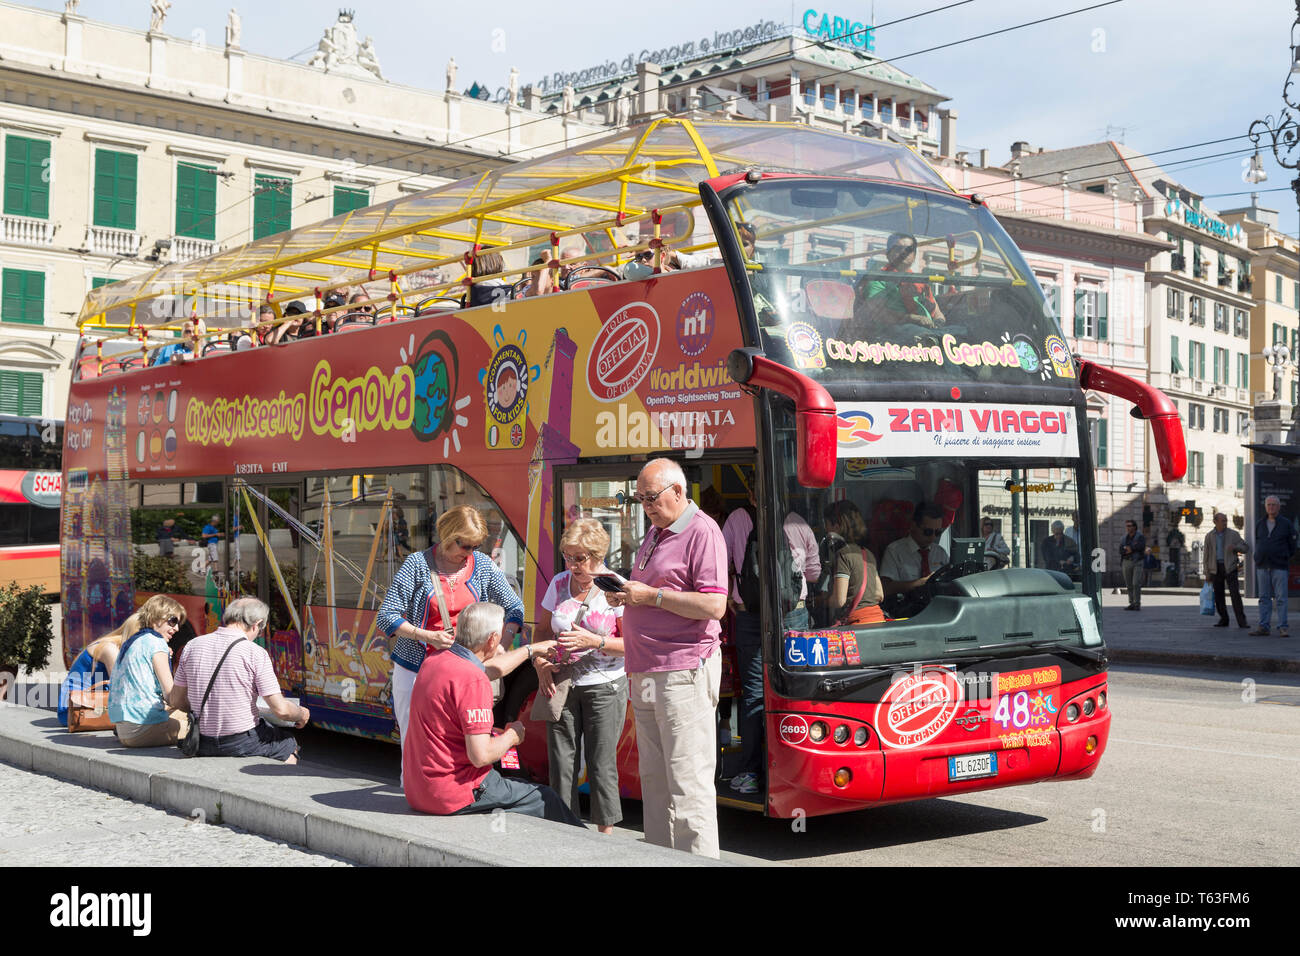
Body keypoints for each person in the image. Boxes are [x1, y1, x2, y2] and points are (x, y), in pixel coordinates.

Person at [604, 458, 728, 857]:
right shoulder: (657, 531)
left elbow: (715, 605)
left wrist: (650, 596)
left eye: (651, 497)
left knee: (687, 785)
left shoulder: (702, 531)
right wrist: (626, 594)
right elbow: (653, 589)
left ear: (678, 491)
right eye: (640, 499)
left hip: (683, 672)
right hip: (648, 671)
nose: (646, 506)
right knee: (655, 782)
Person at [377, 504, 525, 768]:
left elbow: (515, 607)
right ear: (447, 535)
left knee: (463, 740)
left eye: (475, 546)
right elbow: (387, 615)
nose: (469, 553)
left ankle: (453, 793)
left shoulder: (482, 565)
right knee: (414, 741)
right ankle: (411, 789)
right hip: (417, 670)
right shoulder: (417, 565)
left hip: (465, 672)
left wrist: (502, 643)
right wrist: (426, 636)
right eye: (464, 545)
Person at [403, 602, 579, 824]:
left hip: (419, 792)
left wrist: (531, 650)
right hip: (454, 794)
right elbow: (481, 756)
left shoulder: (436, 661)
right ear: (493, 640)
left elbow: (491, 668)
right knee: (546, 798)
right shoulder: (473, 680)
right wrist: (512, 736)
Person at [721, 483, 821, 796]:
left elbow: (718, 563)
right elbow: (814, 572)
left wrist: (730, 598)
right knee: (794, 687)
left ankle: (752, 772)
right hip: (794, 615)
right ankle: (795, 766)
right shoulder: (796, 522)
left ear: (750, 493)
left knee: (753, 692)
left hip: (751, 616)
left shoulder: (737, 519)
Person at [530, 518, 626, 832]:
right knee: (561, 763)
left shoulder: (615, 586)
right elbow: (542, 631)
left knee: (601, 763)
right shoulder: (558, 583)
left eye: (579, 558)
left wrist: (594, 641)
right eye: (568, 557)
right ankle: (564, 831)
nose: (572, 565)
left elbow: (632, 644)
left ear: (597, 555)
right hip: (562, 684)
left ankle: (604, 836)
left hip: (605, 685)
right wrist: (541, 665)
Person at [168, 597, 308, 762]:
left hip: (201, 740)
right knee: (288, 744)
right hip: (241, 742)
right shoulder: (255, 653)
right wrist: (301, 714)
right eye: (260, 630)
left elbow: (176, 700)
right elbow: (281, 710)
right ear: (257, 624)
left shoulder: (192, 646)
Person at [109, 596, 191, 747]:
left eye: (178, 623)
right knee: (202, 724)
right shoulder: (156, 643)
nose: (177, 628)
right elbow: (170, 695)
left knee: (182, 715)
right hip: (144, 730)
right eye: (172, 621)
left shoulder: (132, 642)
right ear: (155, 618)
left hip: (125, 730)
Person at [57, 617, 131, 727]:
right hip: (74, 710)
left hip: (90, 705)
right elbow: (120, 686)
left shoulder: (109, 644)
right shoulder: (109, 648)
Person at [821, 499, 884, 626]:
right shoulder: (867, 553)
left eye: (827, 524)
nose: (825, 529)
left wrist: (821, 601)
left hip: (858, 624)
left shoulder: (843, 555)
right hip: (878, 619)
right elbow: (879, 595)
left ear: (836, 527)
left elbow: (839, 600)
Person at [1251, 495, 1297, 637]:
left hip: (1279, 566)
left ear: (1278, 507)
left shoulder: (1286, 524)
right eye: (1269, 504)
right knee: (1264, 598)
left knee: (1281, 598)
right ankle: (1264, 626)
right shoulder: (1260, 523)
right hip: (1262, 565)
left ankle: (1282, 627)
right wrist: (1257, 557)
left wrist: (1284, 556)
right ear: (1265, 507)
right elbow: (1257, 542)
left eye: (1274, 505)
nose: (1271, 507)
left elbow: (1292, 544)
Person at [880, 502, 949, 596]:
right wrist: (919, 583)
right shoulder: (895, 551)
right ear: (913, 526)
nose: (933, 537)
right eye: (928, 532)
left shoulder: (940, 553)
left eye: (937, 532)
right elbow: (885, 588)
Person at [1203, 512, 1249, 629]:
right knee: (1219, 595)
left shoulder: (1233, 534)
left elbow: (1245, 548)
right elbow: (1206, 556)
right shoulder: (1209, 536)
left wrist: (1235, 547)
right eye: (1222, 521)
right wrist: (1207, 573)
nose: (1225, 523)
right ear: (1215, 522)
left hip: (1230, 567)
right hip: (1215, 568)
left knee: (1235, 595)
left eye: (1226, 520)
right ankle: (1224, 619)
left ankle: (1242, 621)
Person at [1119, 519, 1145, 611]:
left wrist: (1131, 549)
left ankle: (1137, 603)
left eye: (1130, 526)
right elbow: (1121, 550)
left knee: (1136, 583)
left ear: (1134, 527)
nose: (1128, 528)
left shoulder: (1140, 536)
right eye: (1127, 526)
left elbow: (1141, 547)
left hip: (1137, 562)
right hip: (1126, 562)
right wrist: (1127, 550)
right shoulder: (1123, 538)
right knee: (1129, 584)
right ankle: (1132, 603)